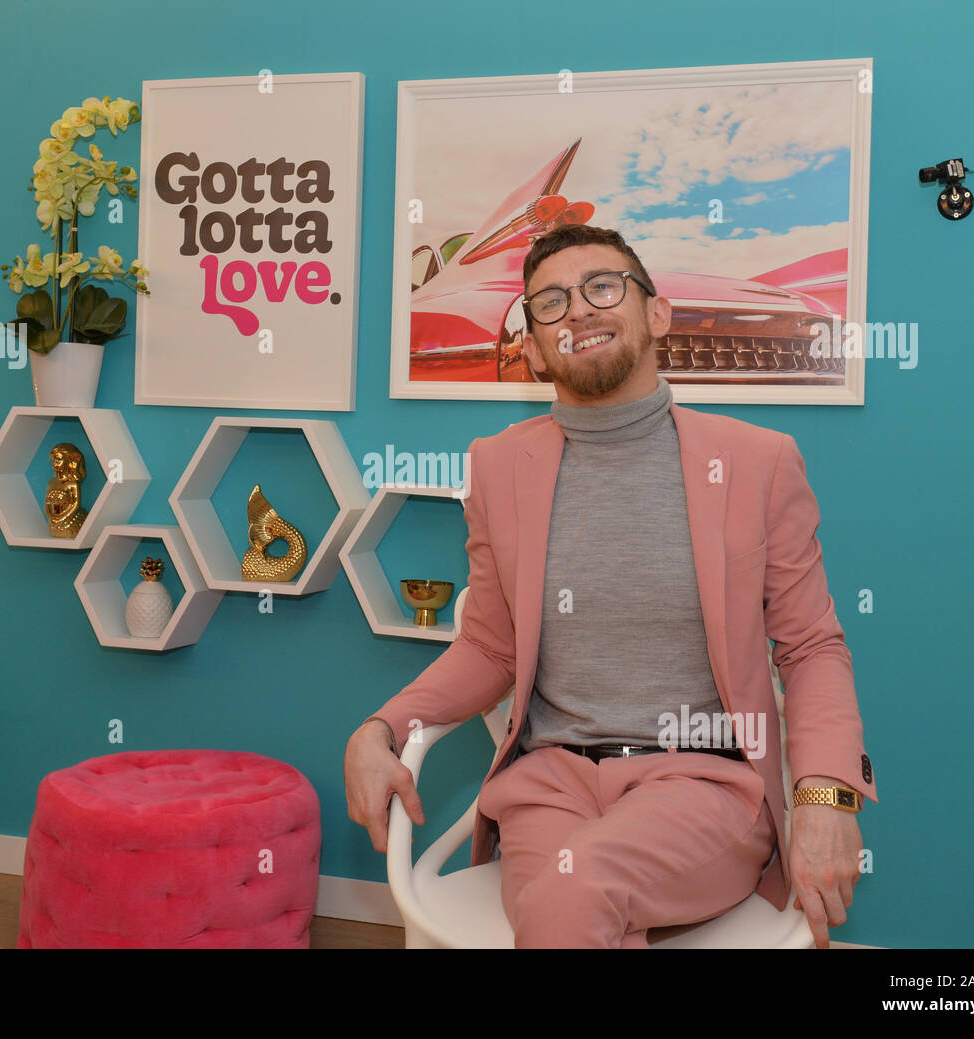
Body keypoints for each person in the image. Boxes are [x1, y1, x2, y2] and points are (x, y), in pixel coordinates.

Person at [344, 224, 877, 948]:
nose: (579, 312)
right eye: (551, 302)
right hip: (548, 790)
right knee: (576, 912)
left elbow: (812, 647)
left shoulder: (758, 461)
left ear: (656, 314)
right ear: (532, 346)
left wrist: (826, 795)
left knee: (574, 894)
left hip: (704, 785)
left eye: (603, 287)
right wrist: (383, 726)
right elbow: (491, 648)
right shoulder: (498, 467)